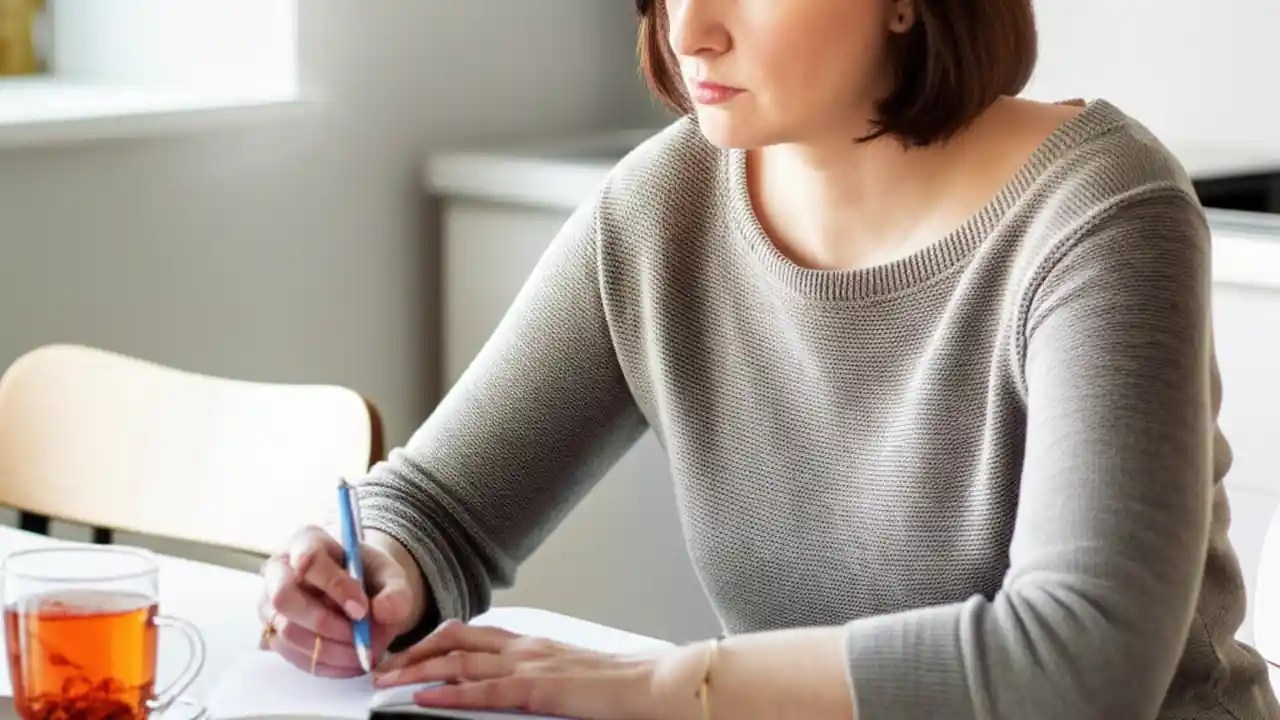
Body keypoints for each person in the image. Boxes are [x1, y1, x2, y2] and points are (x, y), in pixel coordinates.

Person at [257, 1, 1280, 718]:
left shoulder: (1099, 214)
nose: (687, 26)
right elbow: (440, 507)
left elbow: (1076, 671)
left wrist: (670, 688)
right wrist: (366, 571)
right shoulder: (662, 208)